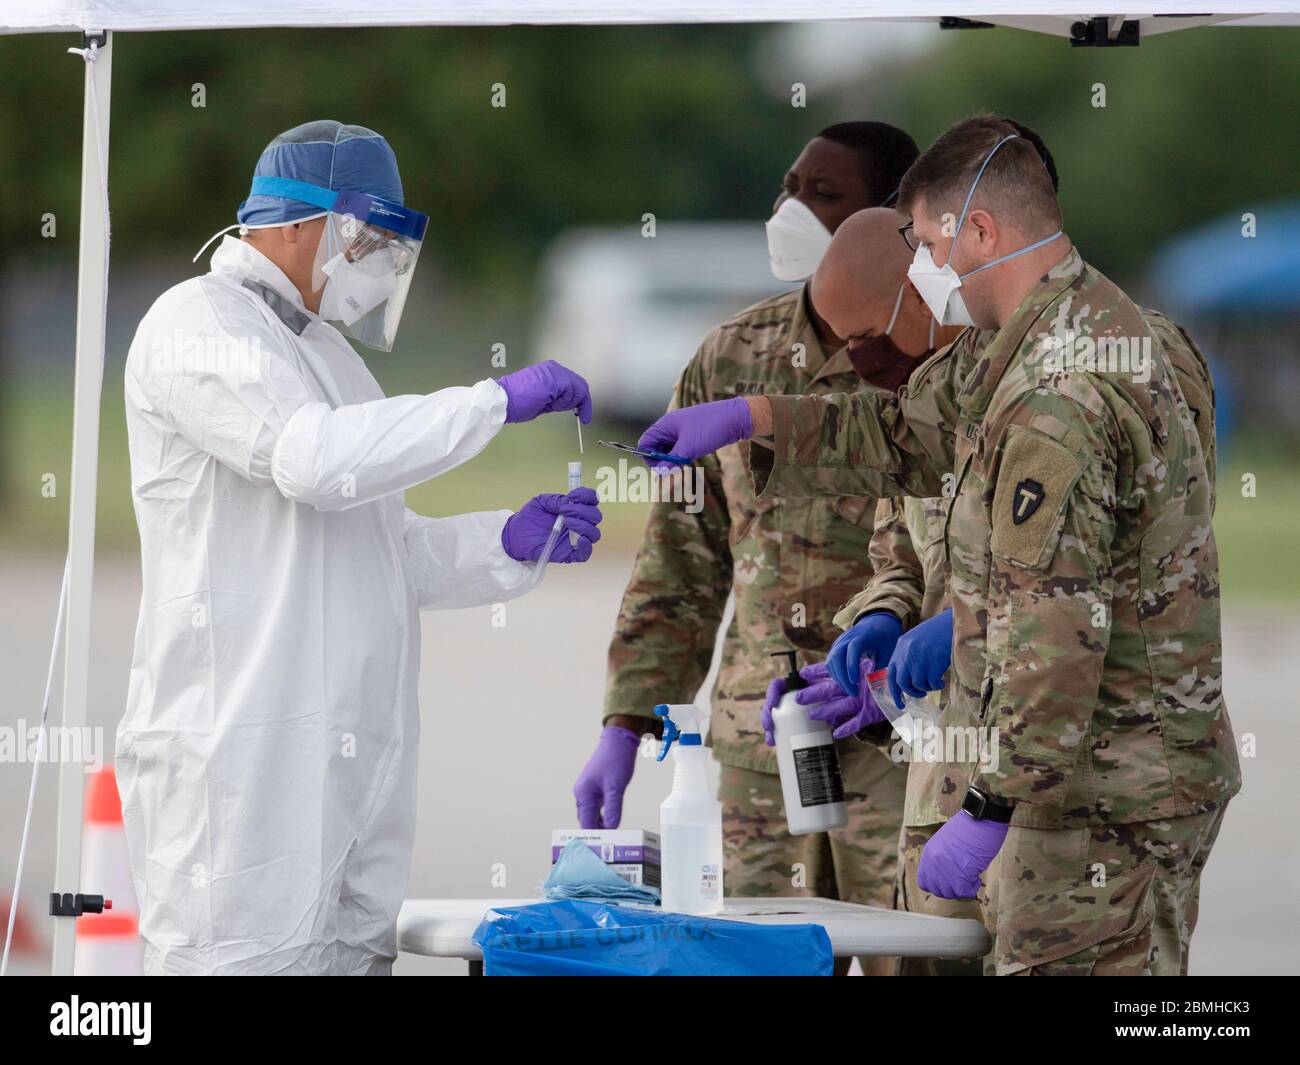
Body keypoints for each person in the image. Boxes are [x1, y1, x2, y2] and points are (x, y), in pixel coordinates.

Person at [637, 114, 1238, 976]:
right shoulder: (1027, 340)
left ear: (979, 231)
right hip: (1069, 778)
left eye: (922, 242)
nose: (922, 268)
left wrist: (992, 802)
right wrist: (755, 416)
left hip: (1103, 791)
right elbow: (904, 431)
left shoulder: (1059, 393)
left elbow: (1055, 626)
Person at [116, 120, 602, 976]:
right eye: (369, 239)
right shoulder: (196, 324)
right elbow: (312, 460)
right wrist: (491, 402)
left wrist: (505, 538)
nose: (378, 266)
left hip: (347, 769)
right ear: (299, 223)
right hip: (242, 767)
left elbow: (383, 552)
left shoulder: (327, 356)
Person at [573, 122, 919, 975]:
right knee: (749, 960)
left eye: (823, 195)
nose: (790, 208)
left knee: (918, 957)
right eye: (788, 185)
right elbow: (680, 566)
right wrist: (627, 719)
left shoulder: (937, 356)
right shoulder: (732, 357)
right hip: (757, 744)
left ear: (890, 219)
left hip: (906, 737)